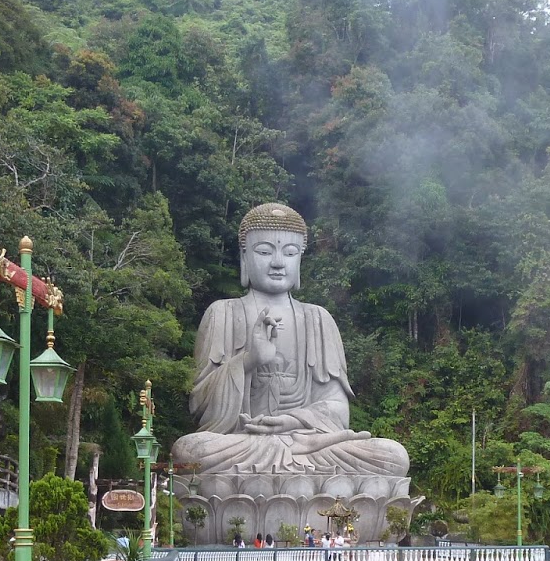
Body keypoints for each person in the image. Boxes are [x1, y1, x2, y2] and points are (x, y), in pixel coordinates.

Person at [170, 202, 409, 477]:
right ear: (244, 257)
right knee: (189, 452)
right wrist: (249, 360)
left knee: (393, 457)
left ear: (299, 260)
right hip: (243, 443)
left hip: (309, 444)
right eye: (264, 251)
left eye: (290, 252)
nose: (278, 262)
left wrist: (291, 421)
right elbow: (200, 405)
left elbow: (338, 410)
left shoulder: (319, 319)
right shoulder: (222, 313)